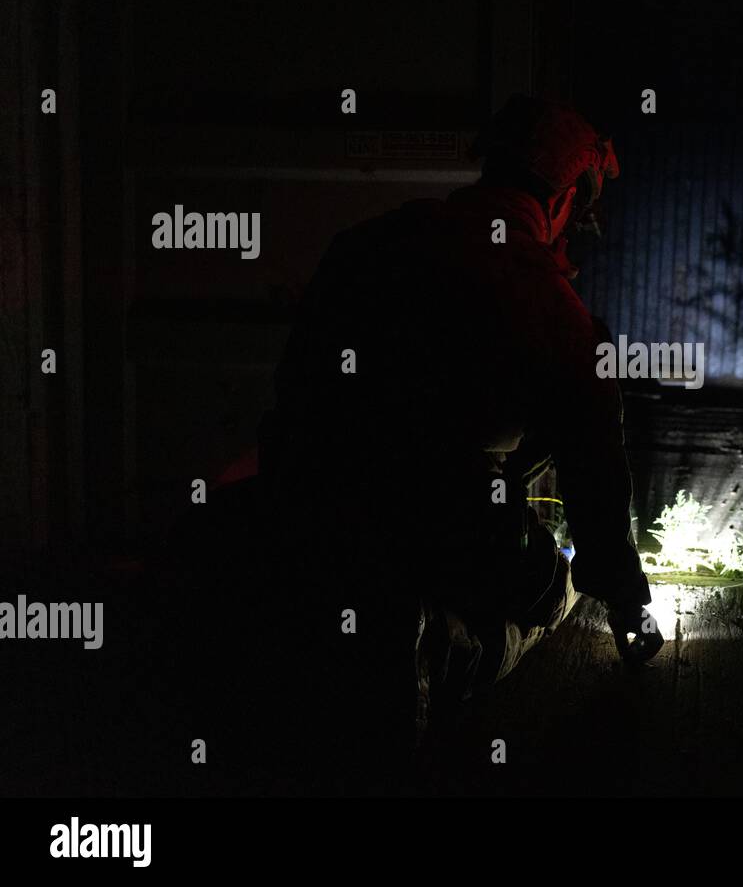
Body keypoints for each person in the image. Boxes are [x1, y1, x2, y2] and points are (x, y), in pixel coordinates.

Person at [246, 95, 662, 792]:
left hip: (310, 504)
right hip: (438, 526)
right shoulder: (554, 310)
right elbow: (596, 470)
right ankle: (439, 651)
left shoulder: (369, 243)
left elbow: (297, 388)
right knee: (551, 591)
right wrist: (622, 599)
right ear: (564, 199)